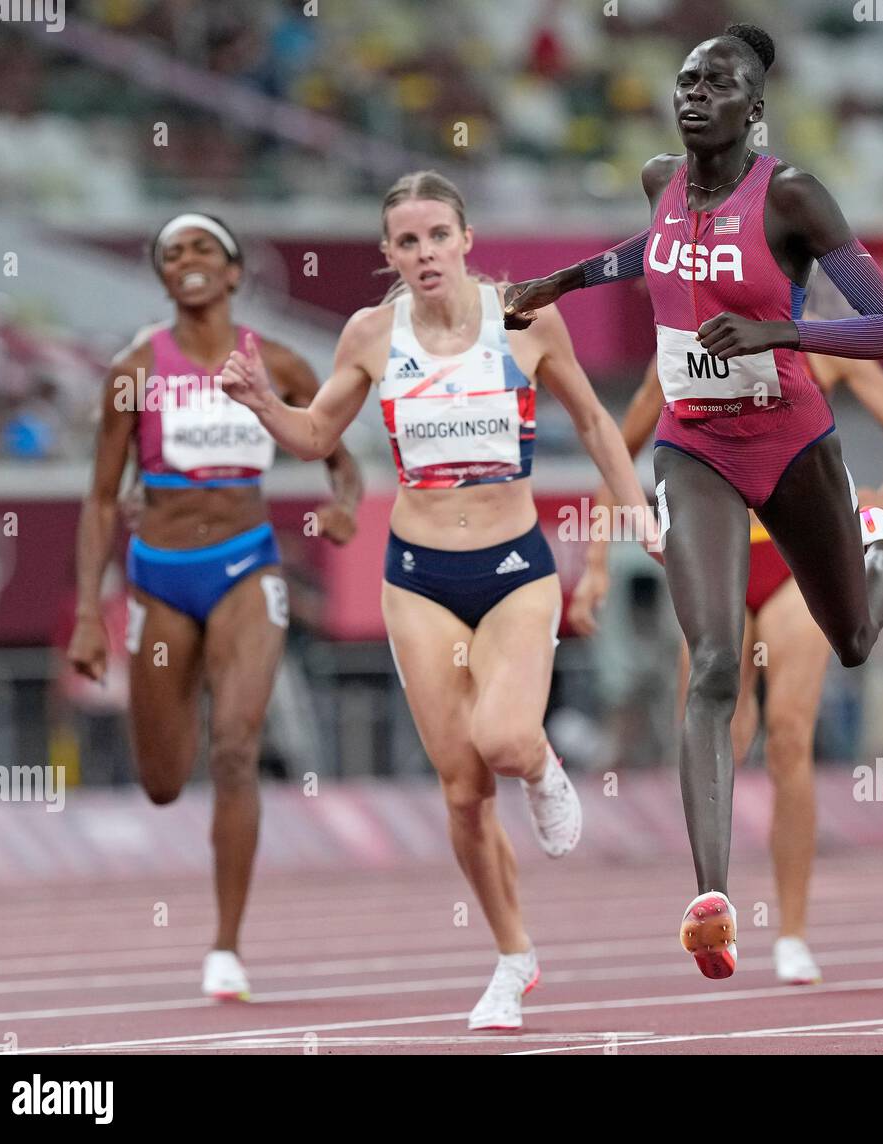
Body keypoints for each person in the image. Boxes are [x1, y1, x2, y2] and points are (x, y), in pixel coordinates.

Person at [504, 22, 883, 979]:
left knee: (854, 642)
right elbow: (642, 254)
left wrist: (778, 330)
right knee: (714, 668)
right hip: (696, 448)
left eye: (718, 81)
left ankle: (882, 552)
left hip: (792, 441)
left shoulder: (793, 197)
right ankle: (714, 898)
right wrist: (557, 283)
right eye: (687, 78)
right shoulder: (658, 180)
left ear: (755, 106)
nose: (695, 93)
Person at [219, 170, 655, 1028]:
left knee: (501, 738)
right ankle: (512, 957)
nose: (424, 254)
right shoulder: (371, 334)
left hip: (514, 570)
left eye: (436, 237)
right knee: (461, 791)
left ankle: (542, 764)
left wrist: (633, 506)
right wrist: (265, 404)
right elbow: (317, 434)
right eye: (406, 242)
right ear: (389, 254)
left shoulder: (523, 319)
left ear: (466, 240)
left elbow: (600, 422)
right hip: (416, 575)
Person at [568, 350, 883, 983]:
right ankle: (719, 903)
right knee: (720, 735)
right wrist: (597, 559)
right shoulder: (676, 356)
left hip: (793, 557)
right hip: (718, 557)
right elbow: (614, 451)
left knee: (790, 738)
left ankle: (792, 933)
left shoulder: (811, 347)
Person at [68, 212, 362, 999]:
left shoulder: (283, 362)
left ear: (234, 272)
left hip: (245, 569)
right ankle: (181, 692)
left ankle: (226, 948)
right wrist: (90, 615)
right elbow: (100, 499)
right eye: (172, 253)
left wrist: (342, 503)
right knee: (163, 780)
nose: (187, 261)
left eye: (203, 249)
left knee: (236, 745)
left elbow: (340, 456)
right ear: (162, 277)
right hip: (159, 575)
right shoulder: (134, 368)